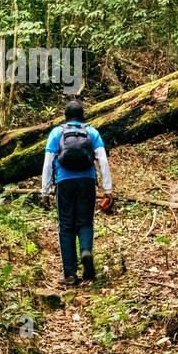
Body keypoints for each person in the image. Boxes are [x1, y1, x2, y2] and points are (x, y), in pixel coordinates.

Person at [40, 99, 114, 286]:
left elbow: (48, 163)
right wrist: (108, 189)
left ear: (65, 117)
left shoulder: (57, 132)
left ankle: (71, 274)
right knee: (85, 222)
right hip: (87, 182)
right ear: (83, 116)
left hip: (64, 183)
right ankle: (86, 251)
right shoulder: (92, 132)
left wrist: (45, 190)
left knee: (66, 227)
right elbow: (103, 161)